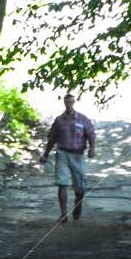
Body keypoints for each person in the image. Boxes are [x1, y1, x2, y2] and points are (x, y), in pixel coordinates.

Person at [40, 93, 96, 223]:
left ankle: (78, 202)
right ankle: (63, 214)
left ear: (74, 103)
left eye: (71, 102)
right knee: (62, 183)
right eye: (67, 102)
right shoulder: (59, 121)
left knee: (80, 185)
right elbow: (52, 139)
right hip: (62, 154)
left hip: (78, 155)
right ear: (64, 103)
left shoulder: (82, 119)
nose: (69, 105)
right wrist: (45, 154)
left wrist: (92, 148)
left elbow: (91, 134)